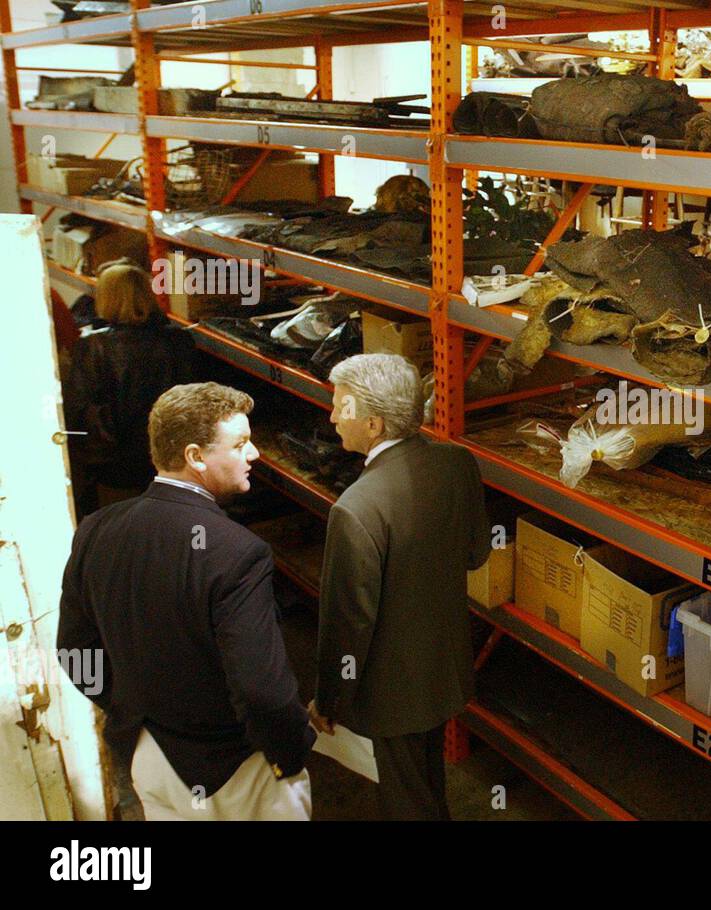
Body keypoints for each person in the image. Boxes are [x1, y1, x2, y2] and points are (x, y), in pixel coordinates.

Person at [57, 382, 316, 821]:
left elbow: (74, 651)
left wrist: (130, 712)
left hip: (151, 762)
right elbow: (262, 694)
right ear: (195, 456)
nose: (254, 454)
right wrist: (290, 753)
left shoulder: (96, 529)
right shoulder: (238, 552)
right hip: (238, 770)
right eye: (240, 444)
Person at [310, 353, 490, 820]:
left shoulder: (355, 509)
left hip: (393, 691)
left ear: (373, 425)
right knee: (427, 781)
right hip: (445, 667)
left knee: (406, 800)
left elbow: (348, 625)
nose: (332, 417)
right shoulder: (457, 463)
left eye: (341, 407)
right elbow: (476, 554)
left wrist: (330, 700)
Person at [62, 260, 195, 519]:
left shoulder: (93, 347)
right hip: (170, 461)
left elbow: (78, 413)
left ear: (107, 298)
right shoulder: (180, 340)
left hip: (117, 468)